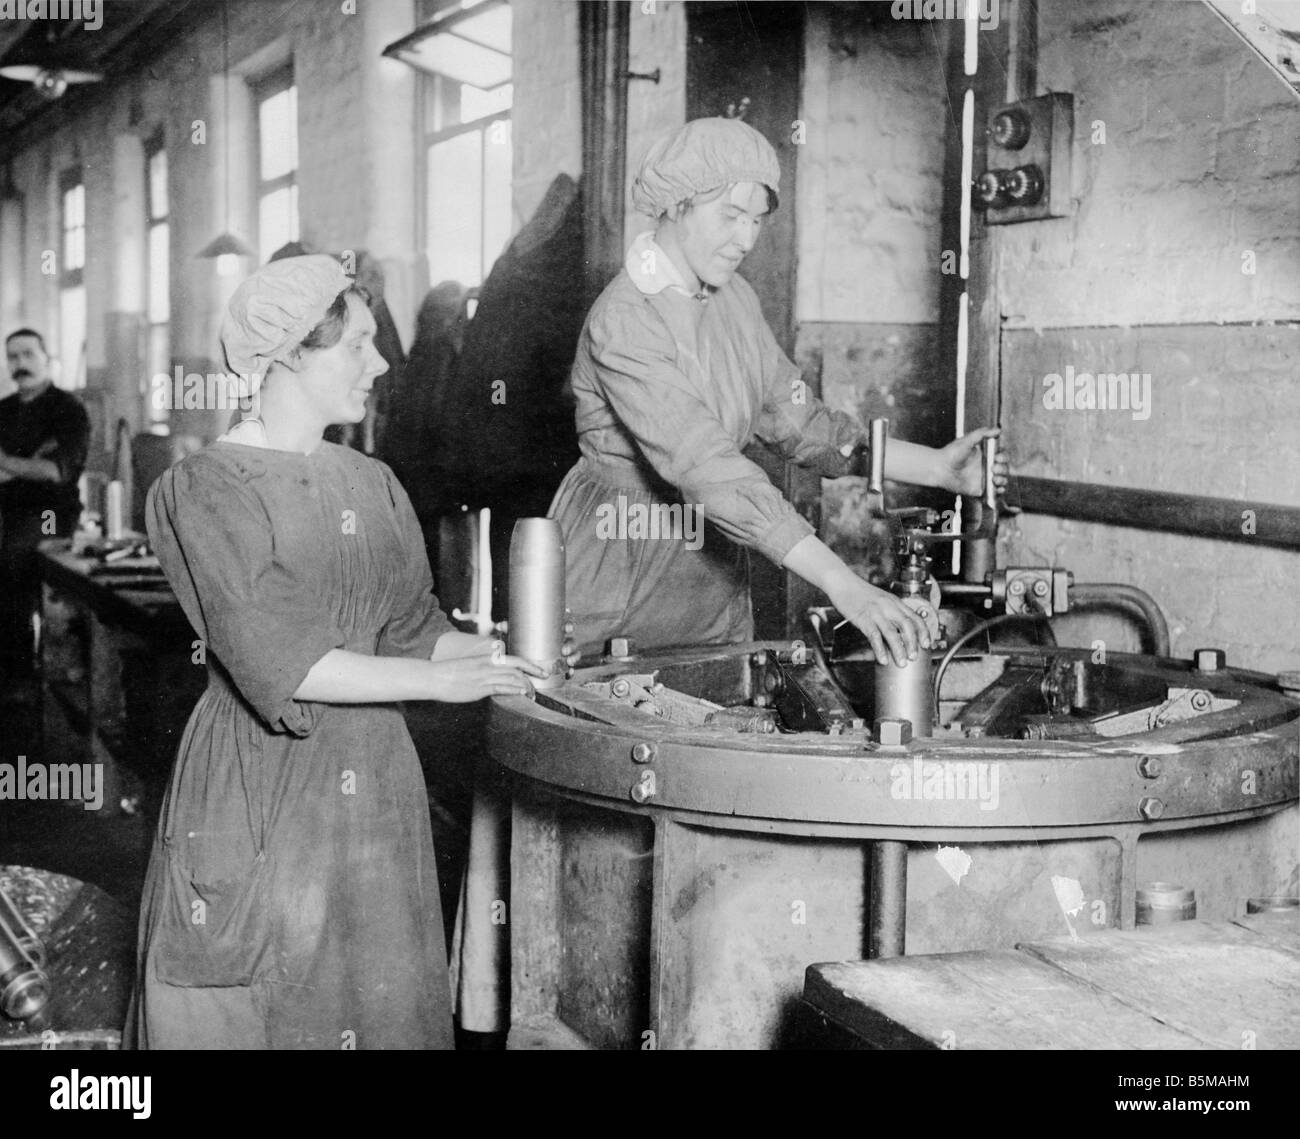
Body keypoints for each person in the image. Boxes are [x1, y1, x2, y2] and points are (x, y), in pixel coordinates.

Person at [130, 255, 545, 1049]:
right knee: (266, 1003)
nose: (382, 360)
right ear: (288, 352)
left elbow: (412, 624)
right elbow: (288, 662)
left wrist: (502, 656)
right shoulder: (207, 488)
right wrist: (435, 681)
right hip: (261, 782)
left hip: (375, 783)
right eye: (356, 343)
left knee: (375, 999)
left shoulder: (371, 481)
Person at [550, 117, 1007, 666]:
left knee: (714, 717)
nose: (746, 239)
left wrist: (935, 468)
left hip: (708, 565)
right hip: (618, 560)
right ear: (677, 205)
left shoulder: (733, 298)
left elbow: (802, 423)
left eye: (758, 220)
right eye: (731, 215)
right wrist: (843, 584)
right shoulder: (624, 318)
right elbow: (705, 463)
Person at [0, 328, 90, 692]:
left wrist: (7, 462)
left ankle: (19, 676)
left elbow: (55, 472)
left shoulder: (68, 410)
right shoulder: (3, 410)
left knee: (13, 557)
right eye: (13, 357)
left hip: (51, 514)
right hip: (7, 507)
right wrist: (26, 463)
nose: (21, 364)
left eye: (28, 355)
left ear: (46, 358)